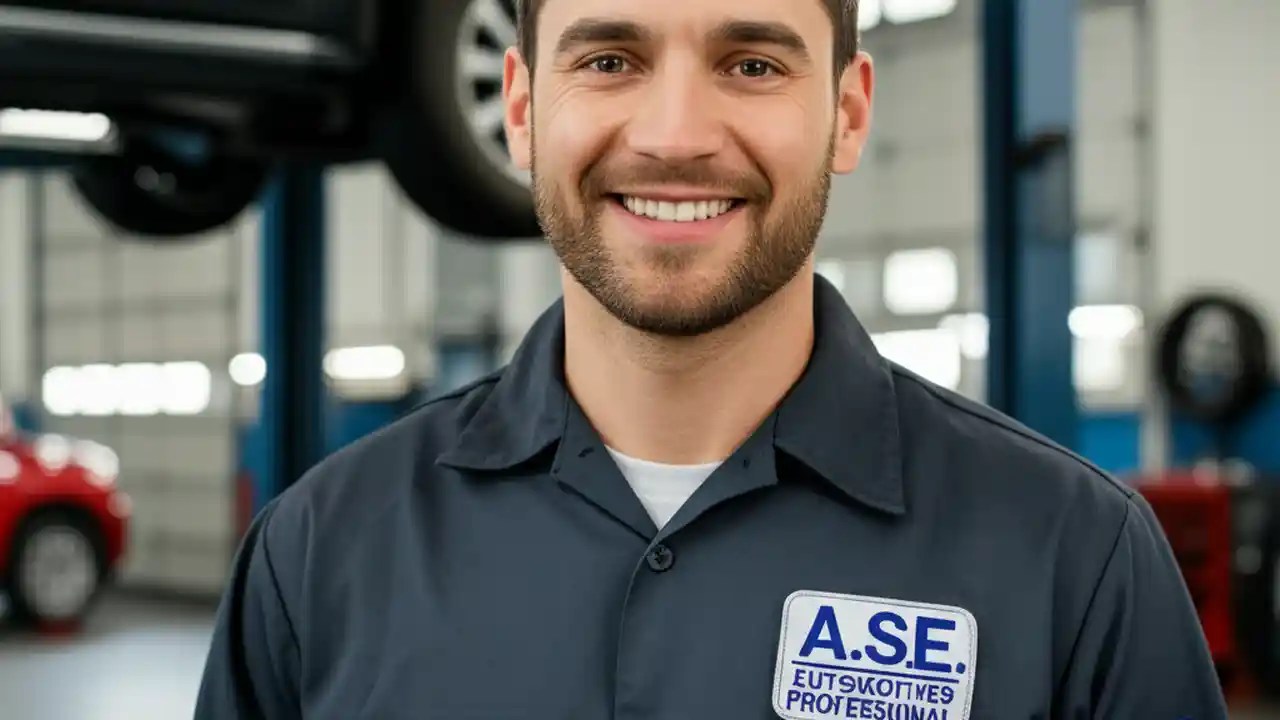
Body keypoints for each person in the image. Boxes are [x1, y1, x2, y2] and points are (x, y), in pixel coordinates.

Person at [195, 0, 1229, 717]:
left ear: (848, 112)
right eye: (608, 60)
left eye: (751, 64)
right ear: (518, 110)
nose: (676, 134)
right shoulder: (319, 554)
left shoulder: (1073, 560)